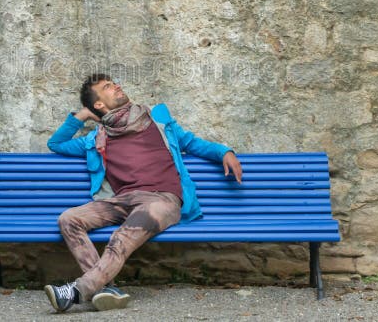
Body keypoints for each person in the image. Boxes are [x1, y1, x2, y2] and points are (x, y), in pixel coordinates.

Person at [44, 73, 243, 312]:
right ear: (99, 104)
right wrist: (83, 115)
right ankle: (107, 290)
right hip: (122, 201)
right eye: (108, 87)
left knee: (121, 236)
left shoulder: (156, 119)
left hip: (163, 199)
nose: (116, 86)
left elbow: (191, 143)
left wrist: (224, 152)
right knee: (69, 219)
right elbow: (56, 144)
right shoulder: (95, 138)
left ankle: (77, 291)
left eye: (114, 82)